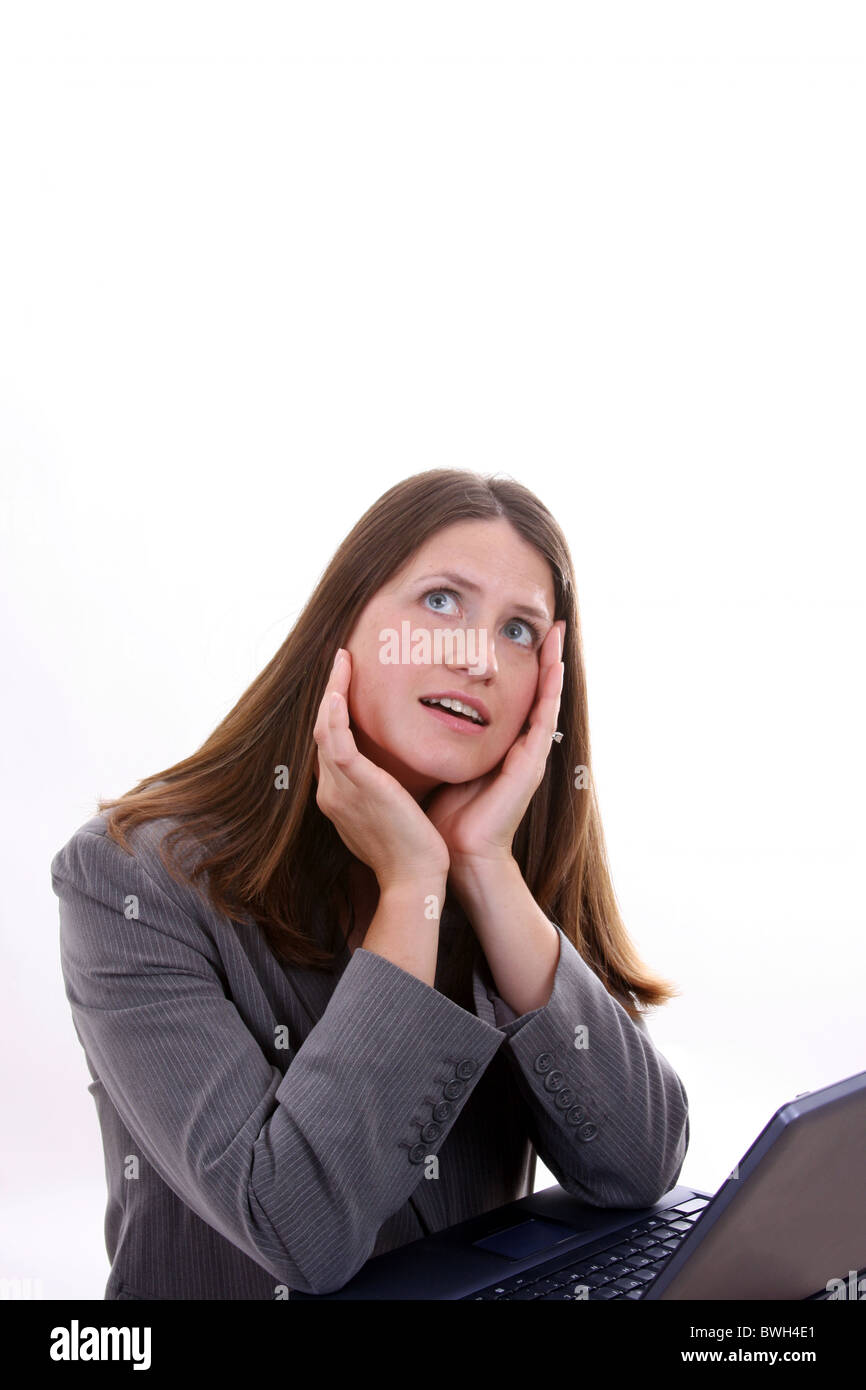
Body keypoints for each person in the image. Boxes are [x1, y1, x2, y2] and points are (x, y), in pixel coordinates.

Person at [50, 468, 690, 1300]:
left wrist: (484, 872)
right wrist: (411, 887)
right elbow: (298, 1231)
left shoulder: (503, 866)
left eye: (521, 631)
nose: (477, 659)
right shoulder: (131, 879)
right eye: (440, 603)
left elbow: (638, 1168)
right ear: (341, 625)